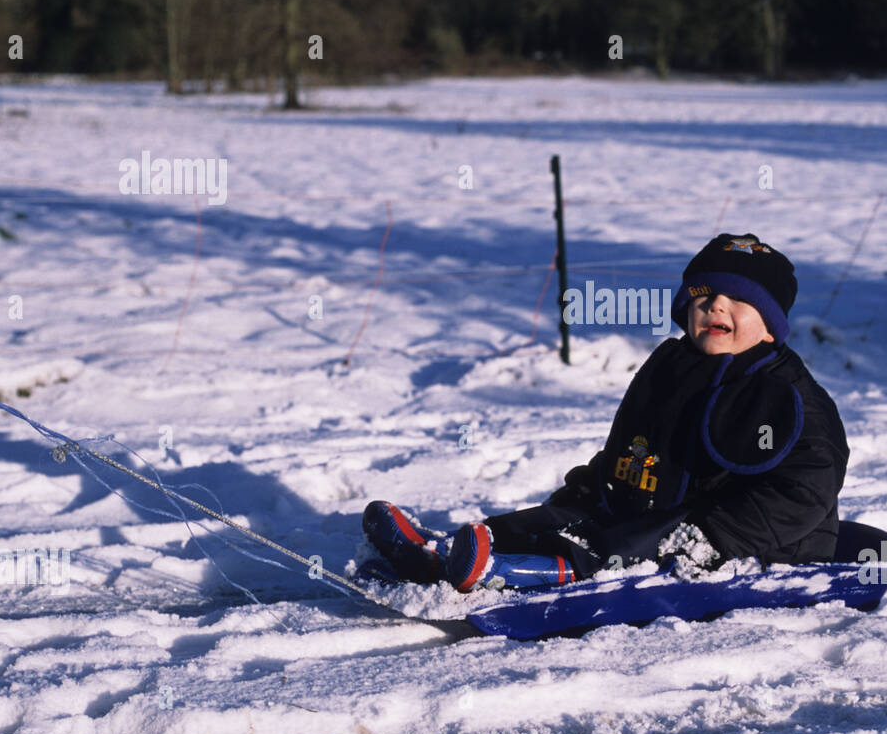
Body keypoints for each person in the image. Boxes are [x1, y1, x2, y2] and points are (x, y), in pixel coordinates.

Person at [362, 232, 850, 592]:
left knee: (611, 547)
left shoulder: (786, 396)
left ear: (771, 327)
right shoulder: (675, 366)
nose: (716, 306)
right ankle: (442, 552)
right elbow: (639, 445)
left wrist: (707, 536)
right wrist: (594, 487)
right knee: (560, 519)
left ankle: (502, 574)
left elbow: (805, 489)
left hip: (753, 548)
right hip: (652, 512)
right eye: (705, 295)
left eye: (740, 299)